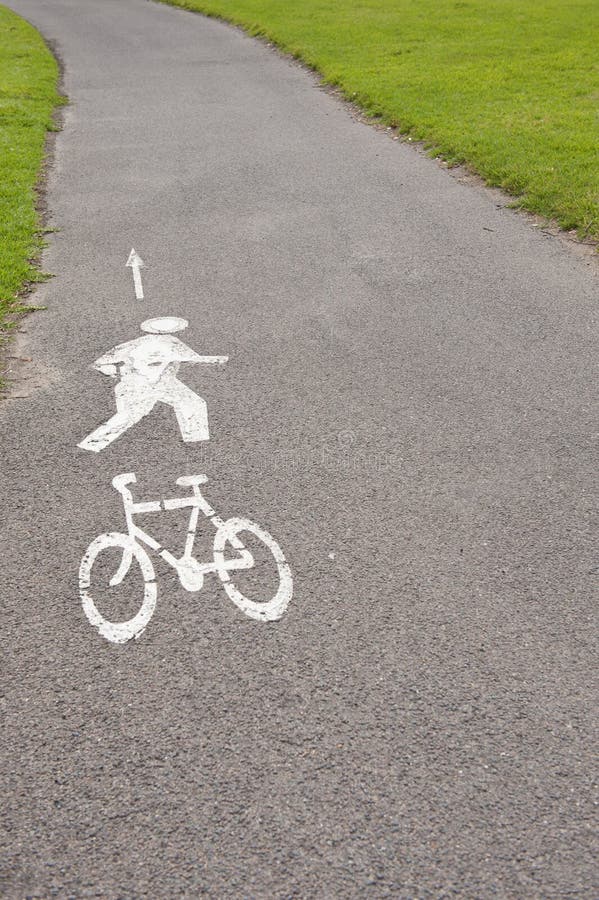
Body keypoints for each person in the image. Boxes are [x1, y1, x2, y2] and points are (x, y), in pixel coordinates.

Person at [78, 316, 227, 453]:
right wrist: (218, 360)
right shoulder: (168, 343)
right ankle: (91, 444)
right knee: (129, 414)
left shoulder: (144, 342)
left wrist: (110, 370)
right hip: (139, 383)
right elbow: (194, 358)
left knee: (192, 402)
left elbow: (104, 360)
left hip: (162, 382)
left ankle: (196, 442)